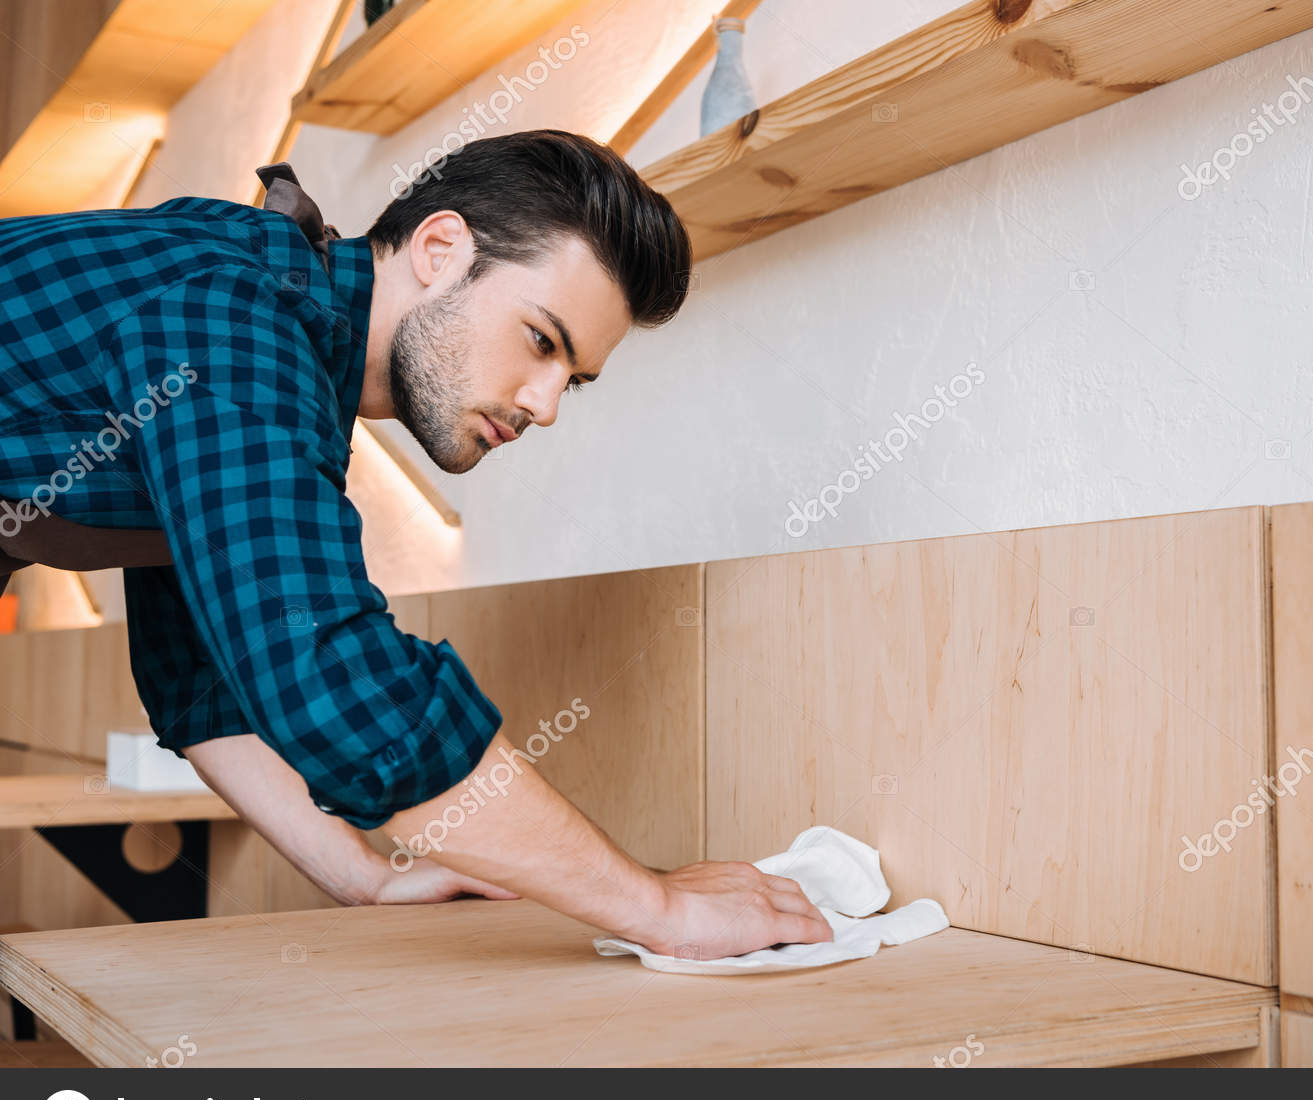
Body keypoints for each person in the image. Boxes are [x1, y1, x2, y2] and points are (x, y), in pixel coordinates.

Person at [0, 129, 829, 958]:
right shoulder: (232, 313)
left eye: (571, 380)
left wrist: (366, 878)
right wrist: (663, 913)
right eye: (542, 340)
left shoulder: (285, 367)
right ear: (439, 248)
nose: (545, 405)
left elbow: (206, 685)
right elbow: (327, 678)